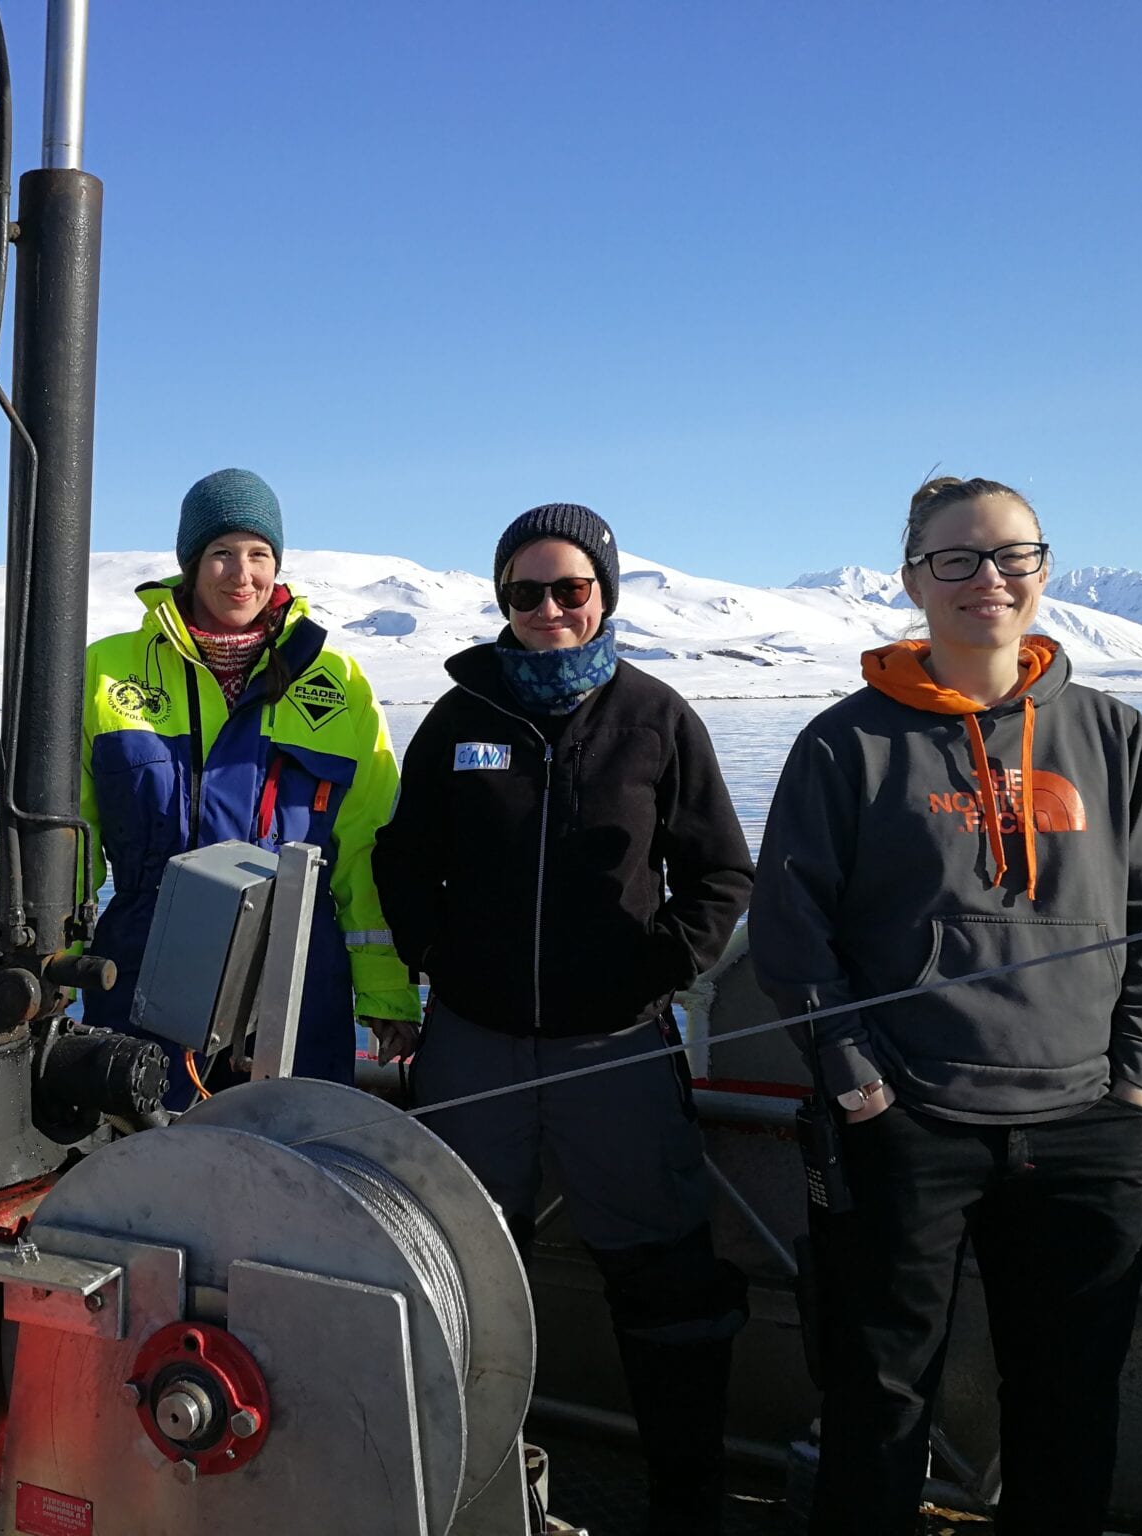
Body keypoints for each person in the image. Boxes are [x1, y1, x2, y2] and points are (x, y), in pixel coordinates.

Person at [750, 476, 1142, 1535]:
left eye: (1009, 556)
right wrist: (858, 1087)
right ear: (910, 579)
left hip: (1083, 1126)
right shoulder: (843, 743)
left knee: (1067, 1403)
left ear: (1041, 571)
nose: (985, 580)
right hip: (907, 1127)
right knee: (878, 1398)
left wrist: (1132, 1081)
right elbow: (790, 932)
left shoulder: (1109, 733)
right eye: (954, 559)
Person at [374, 502, 755, 1535]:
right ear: (500, 598)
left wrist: (660, 966)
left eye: (567, 589)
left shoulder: (654, 718)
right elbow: (402, 859)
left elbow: (719, 869)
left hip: (613, 1049)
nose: (546, 609)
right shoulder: (460, 721)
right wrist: (435, 957)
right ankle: (454, 1492)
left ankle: (685, 1502)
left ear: (603, 594)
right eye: (523, 591)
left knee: (661, 1274)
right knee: (450, 1264)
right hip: (476, 1045)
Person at [79, 467, 418, 1104]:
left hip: (296, 973)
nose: (242, 575)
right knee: (143, 1162)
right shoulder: (107, 669)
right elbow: (69, 835)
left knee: (293, 1161)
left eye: (259, 554)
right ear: (189, 563)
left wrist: (384, 990)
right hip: (145, 961)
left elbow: (368, 848)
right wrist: (52, 963)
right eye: (222, 553)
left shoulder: (336, 682)